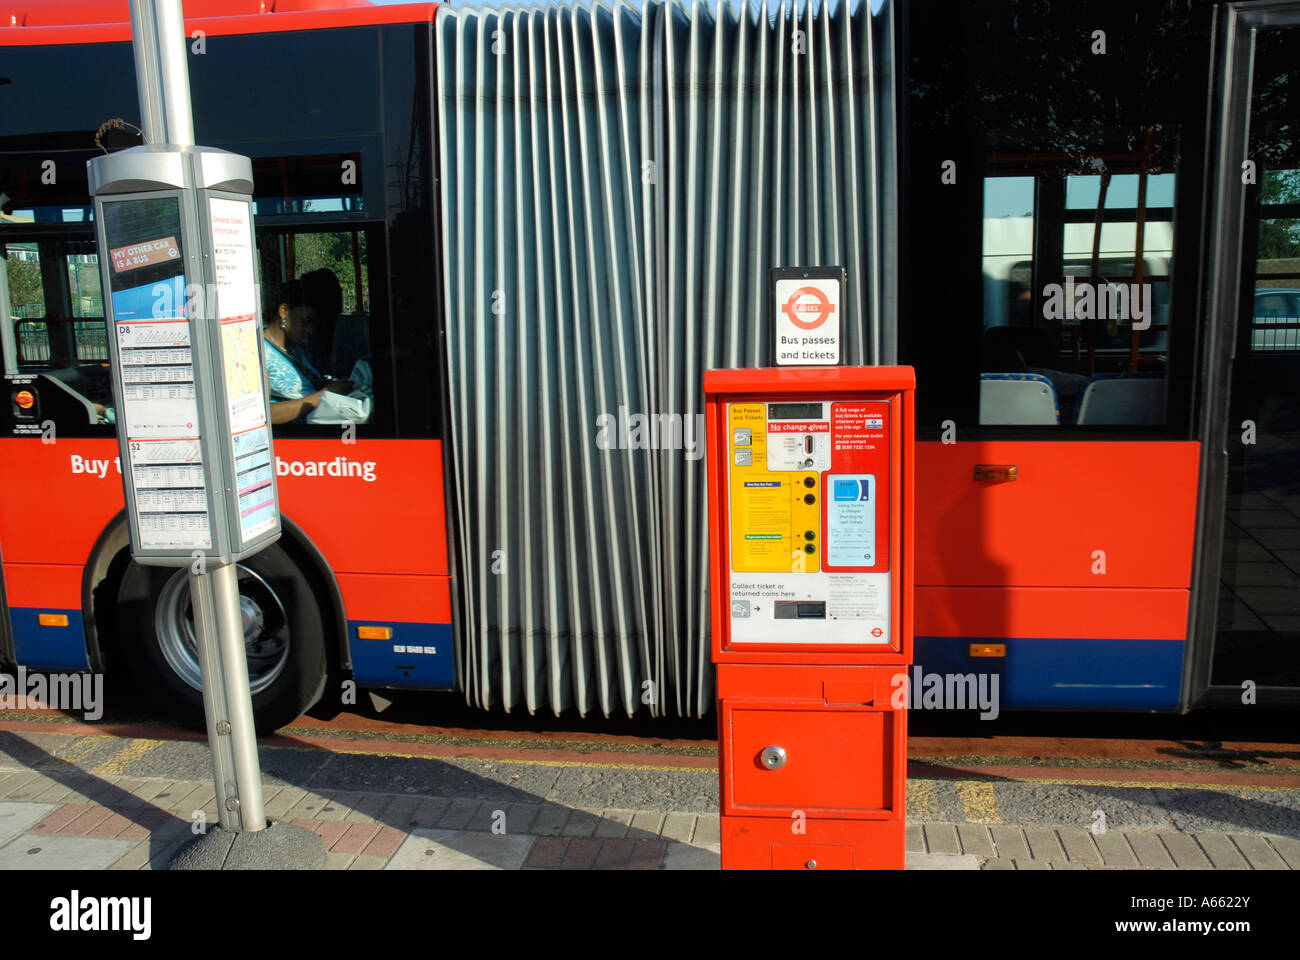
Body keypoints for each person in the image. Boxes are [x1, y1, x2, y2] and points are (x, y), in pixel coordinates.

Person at [263, 278, 351, 424]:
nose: (310, 330)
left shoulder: (295, 349)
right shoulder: (258, 353)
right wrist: (325, 395)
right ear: (284, 311)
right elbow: (264, 415)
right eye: (306, 321)